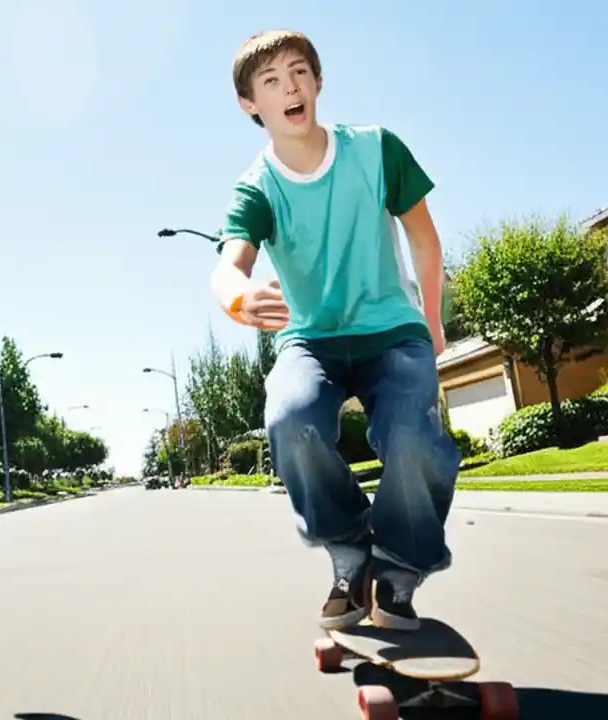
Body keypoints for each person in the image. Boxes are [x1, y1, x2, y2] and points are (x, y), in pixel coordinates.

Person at [208, 30, 460, 632]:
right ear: (251, 104)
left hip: (392, 327)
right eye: (271, 81)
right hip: (312, 338)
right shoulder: (258, 186)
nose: (290, 86)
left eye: (299, 72)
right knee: (289, 419)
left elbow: (424, 238)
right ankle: (350, 550)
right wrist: (236, 298)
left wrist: (432, 323)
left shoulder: (376, 149)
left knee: (412, 437)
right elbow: (228, 264)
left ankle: (397, 569)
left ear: (318, 82)